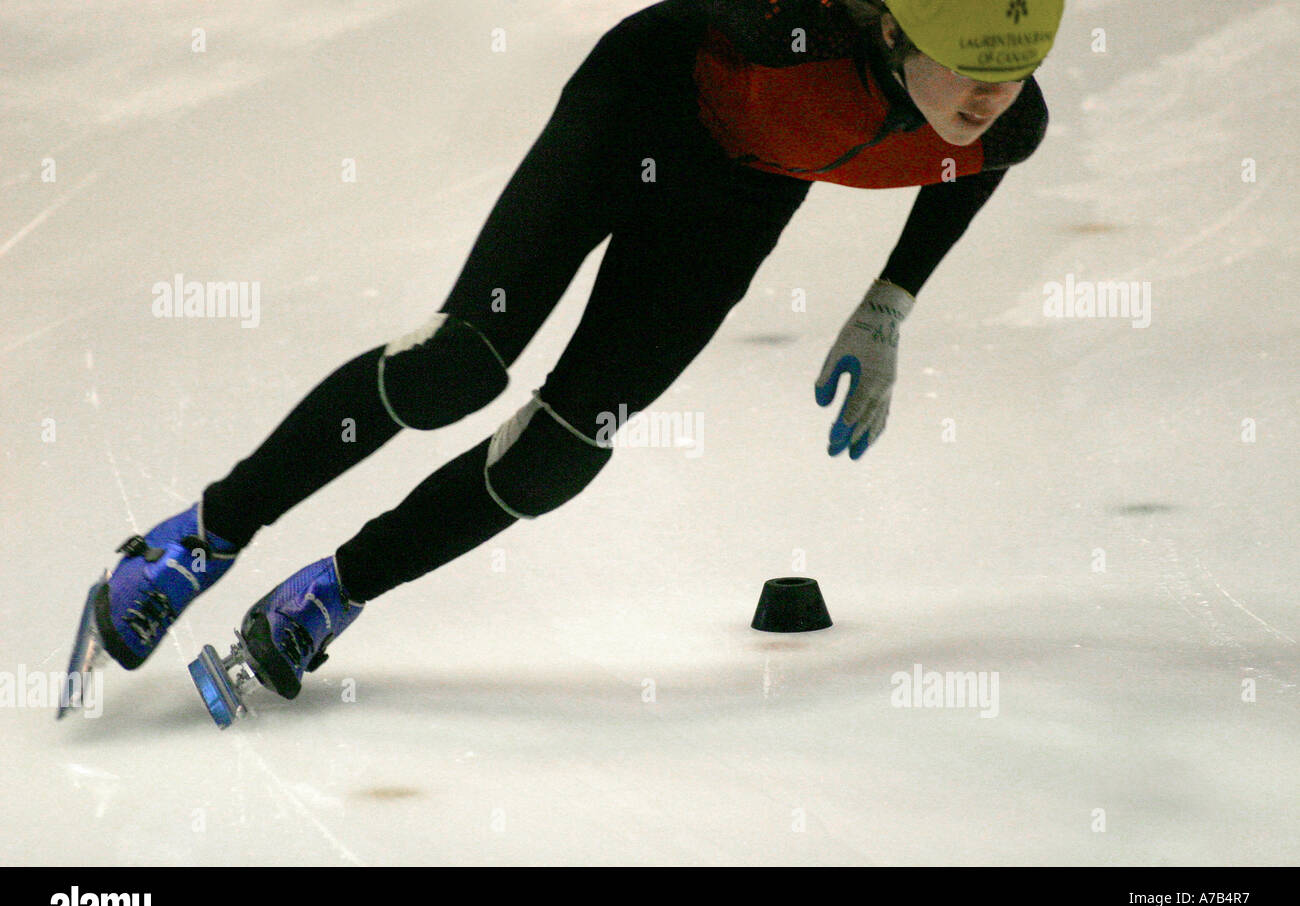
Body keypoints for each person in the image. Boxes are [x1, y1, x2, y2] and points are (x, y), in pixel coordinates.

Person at [76, 0, 1065, 719]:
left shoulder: (1006, 120)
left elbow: (972, 165)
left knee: (562, 449)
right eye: (966, 63)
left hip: (732, 205)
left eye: (1013, 68)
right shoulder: (787, 27)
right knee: (454, 367)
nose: (989, 95)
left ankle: (333, 589)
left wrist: (889, 304)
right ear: (890, 27)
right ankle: (196, 538)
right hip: (630, 112)